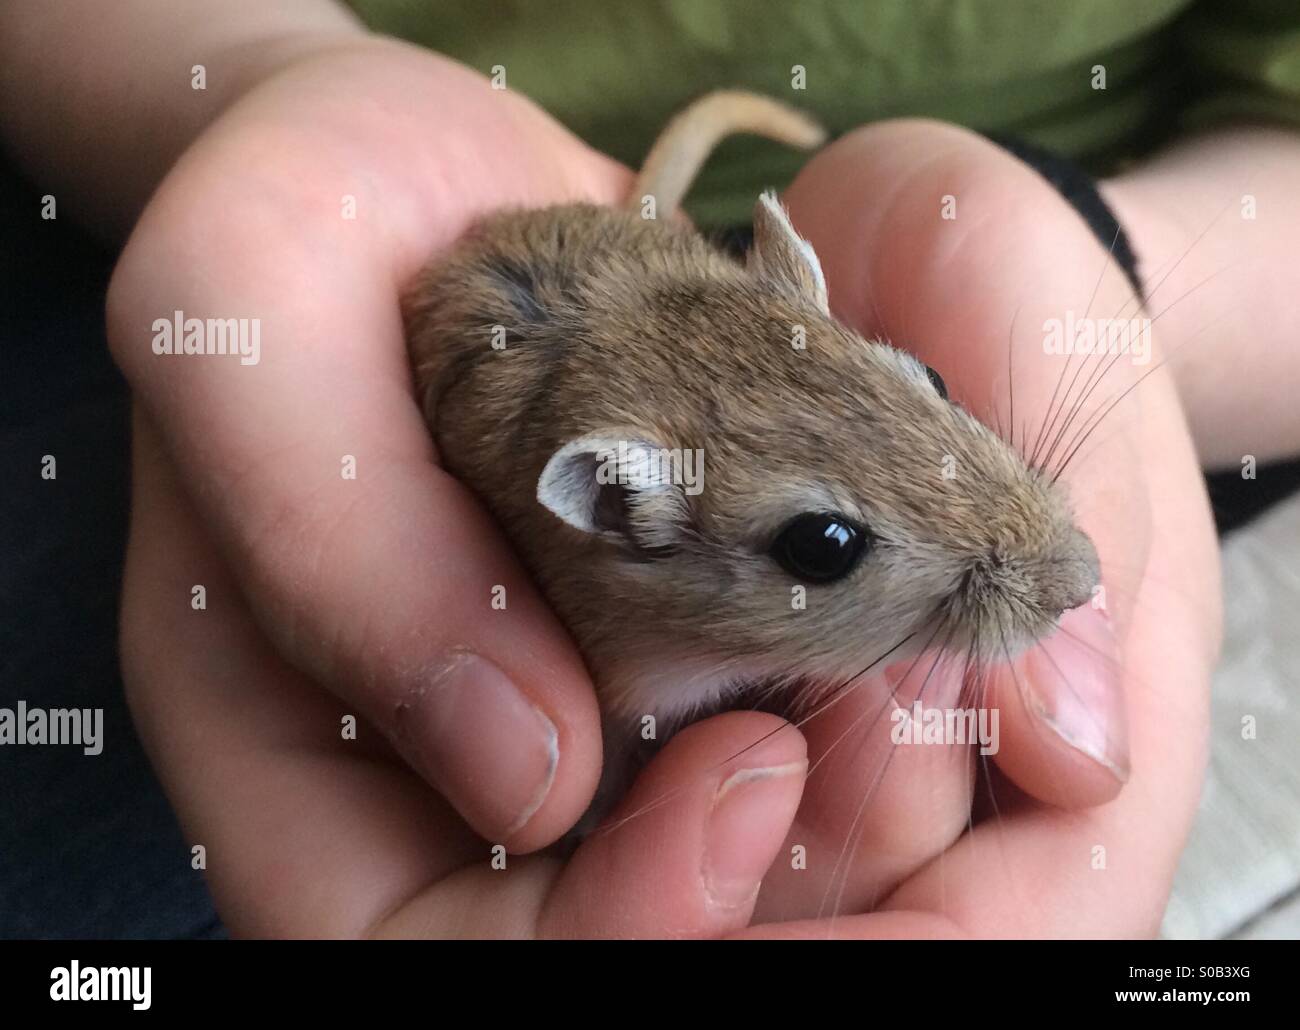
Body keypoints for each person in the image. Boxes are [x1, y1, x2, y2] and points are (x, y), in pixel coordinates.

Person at [1, 0, 1297, 937]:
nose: (1061, 567)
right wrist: (260, 79)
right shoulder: (602, 544)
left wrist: (1096, 265)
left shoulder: (763, 341)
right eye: (824, 544)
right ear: (622, 513)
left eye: (927, 383)